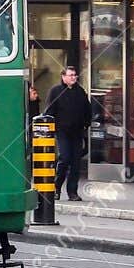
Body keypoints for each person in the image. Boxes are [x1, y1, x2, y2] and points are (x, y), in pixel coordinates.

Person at [42, 65, 91, 202]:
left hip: (77, 131)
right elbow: (49, 111)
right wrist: (52, 127)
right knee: (64, 158)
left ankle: (72, 192)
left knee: (76, 162)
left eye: (75, 75)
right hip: (62, 131)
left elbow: (87, 109)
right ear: (63, 77)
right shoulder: (55, 91)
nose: (73, 77)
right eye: (71, 75)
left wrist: (86, 124)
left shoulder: (80, 91)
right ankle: (56, 187)